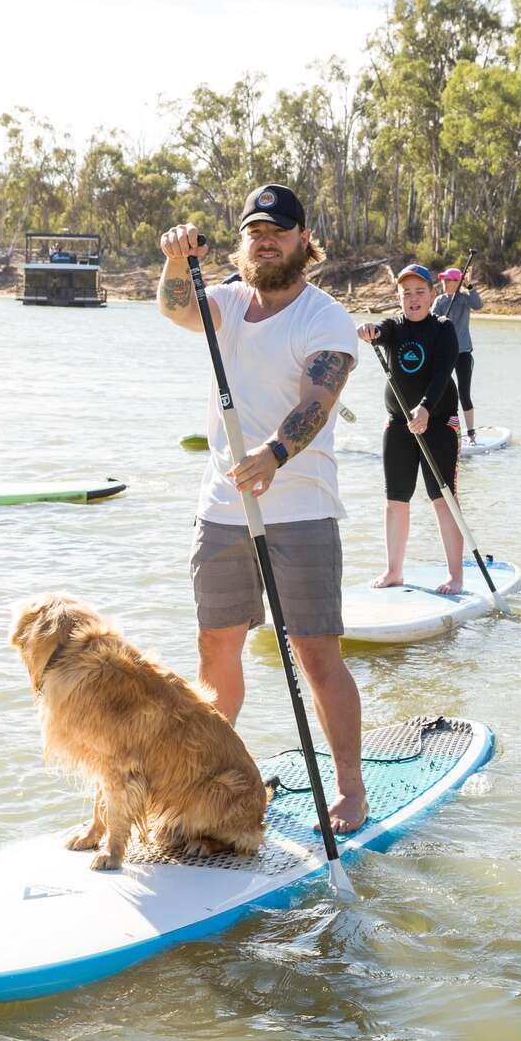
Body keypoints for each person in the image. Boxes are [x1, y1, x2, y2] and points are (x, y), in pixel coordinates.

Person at [157, 183, 367, 834]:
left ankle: (351, 789)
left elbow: (318, 400)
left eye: (278, 230)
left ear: (304, 240)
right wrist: (173, 260)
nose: (265, 239)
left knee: (316, 656)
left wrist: (276, 454)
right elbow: (175, 308)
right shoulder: (222, 302)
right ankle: (205, 782)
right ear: (243, 241)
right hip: (222, 507)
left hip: (300, 506)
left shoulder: (323, 316)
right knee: (215, 651)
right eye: (254, 231)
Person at [357, 264, 463, 595]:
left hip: (439, 424)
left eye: (420, 292)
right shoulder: (393, 327)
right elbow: (379, 331)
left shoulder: (443, 329)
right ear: (398, 297)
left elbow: (443, 372)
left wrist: (426, 408)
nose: (413, 299)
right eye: (406, 293)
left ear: (433, 295)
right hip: (399, 425)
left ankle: (456, 576)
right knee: (395, 500)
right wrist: (368, 330)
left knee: (442, 499)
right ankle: (394, 572)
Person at [431, 266, 483, 441]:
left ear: (457, 282)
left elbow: (478, 305)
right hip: (444, 353)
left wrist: (469, 286)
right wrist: (439, 321)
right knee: (439, 390)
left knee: (464, 394)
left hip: (463, 353)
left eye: (447, 280)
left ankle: (471, 434)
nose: (443, 283)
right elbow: (431, 322)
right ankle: (438, 427)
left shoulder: (464, 300)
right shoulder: (440, 301)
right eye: (443, 280)